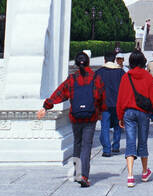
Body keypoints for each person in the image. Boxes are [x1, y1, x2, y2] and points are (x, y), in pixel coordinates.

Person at [36, 52, 105, 188]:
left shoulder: (72, 79)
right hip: (90, 116)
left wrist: (46, 106)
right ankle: (84, 175)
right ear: (88, 63)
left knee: (77, 144)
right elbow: (100, 96)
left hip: (76, 116)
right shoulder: (95, 78)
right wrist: (101, 112)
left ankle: (77, 172)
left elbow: (60, 93)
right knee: (86, 146)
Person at [117, 49, 153, 187]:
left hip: (128, 113)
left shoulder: (126, 77)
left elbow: (120, 99)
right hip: (143, 113)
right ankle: (144, 172)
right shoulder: (147, 77)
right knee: (142, 141)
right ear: (143, 61)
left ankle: (130, 176)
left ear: (131, 62)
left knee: (130, 142)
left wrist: (120, 116)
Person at [96, 50, 125, 157]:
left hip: (104, 103)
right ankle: (116, 146)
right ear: (114, 59)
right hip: (117, 103)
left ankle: (107, 149)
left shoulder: (99, 72)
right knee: (118, 125)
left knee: (105, 126)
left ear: (104, 59)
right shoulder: (120, 72)